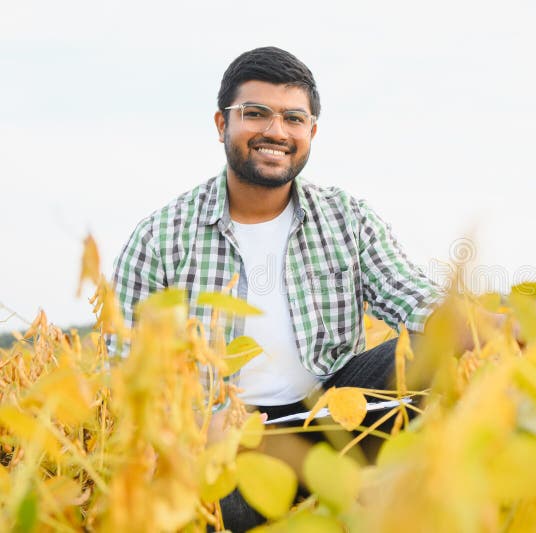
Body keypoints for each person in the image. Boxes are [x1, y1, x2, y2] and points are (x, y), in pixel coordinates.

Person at [111, 46, 445, 417]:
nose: (276, 131)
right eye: (255, 114)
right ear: (222, 125)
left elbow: (411, 294)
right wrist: (192, 429)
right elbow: (126, 364)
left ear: (312, 131)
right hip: (217, 431)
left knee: (441, 345)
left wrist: (490, 328)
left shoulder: (346, 218)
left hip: (331, 416)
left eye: (294, 118)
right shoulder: (160, 238)